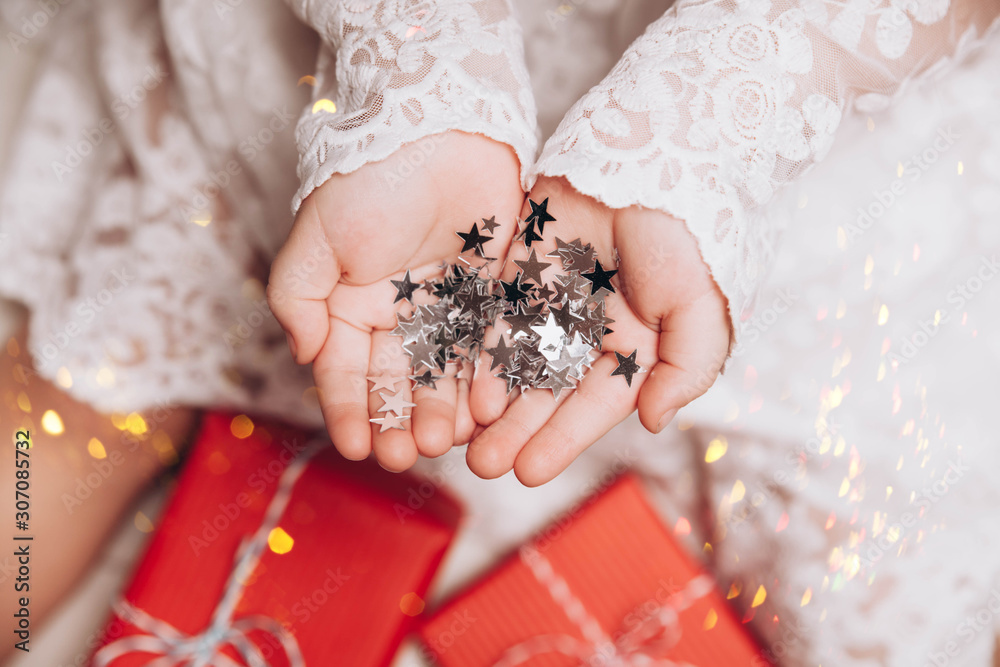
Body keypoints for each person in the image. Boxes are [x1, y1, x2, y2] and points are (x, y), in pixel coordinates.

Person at [0, 0, 997, 663]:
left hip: (826, 150)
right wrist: (413, 64)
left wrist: (707, 122)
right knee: (81, 393)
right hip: (330, 90)